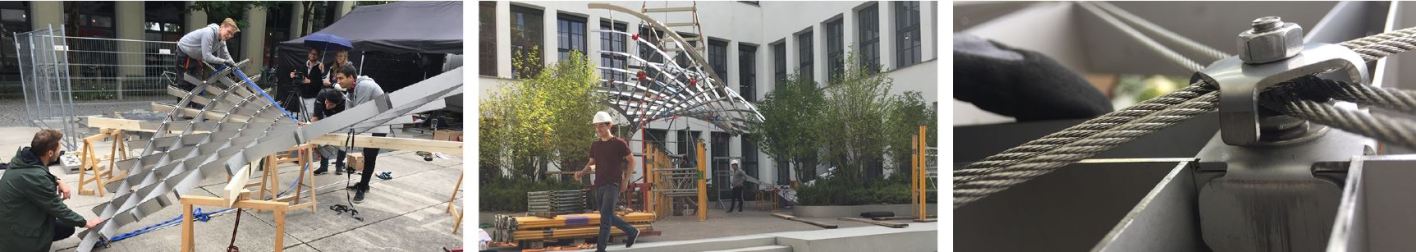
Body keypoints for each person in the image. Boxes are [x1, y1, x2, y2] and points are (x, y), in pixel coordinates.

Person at [0, 129, 104, 251]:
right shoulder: (36, 177)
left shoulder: (23, 160)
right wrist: (86, 223)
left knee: (64, 225)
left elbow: (35, 174)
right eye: (59, 149)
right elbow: (57, 207)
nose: (60, 152)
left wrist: (58, 181)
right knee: (67, 226)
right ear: (50, 153)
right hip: (16, 233)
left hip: (11, 220)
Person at [574, 111, 640, 251]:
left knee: (605, 219)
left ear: (609, 125)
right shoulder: (595, 145)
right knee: (607, 216)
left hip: (613, 184)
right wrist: (582, 172)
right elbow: (592, 162)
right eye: (596, 127)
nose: (598, 129)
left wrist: (626, 180)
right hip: (599, 184)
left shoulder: (619, 143)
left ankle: (601, 249)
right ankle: (631, 231)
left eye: (601, 126)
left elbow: (632, 161)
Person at [334, 64, 389, 203]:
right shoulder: (350, 91)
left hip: (381, 122)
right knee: (366, 153)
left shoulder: (364, 86)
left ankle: (362, 188)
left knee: (370, 155)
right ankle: (365, 183)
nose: (338, 81)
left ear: (351, 77)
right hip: (371, 120)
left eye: (341, 78)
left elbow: (358, 114)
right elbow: (348, 114)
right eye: (337, 79)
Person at [175, 18, 239, 109]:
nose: (230, 35)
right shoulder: (208, 33)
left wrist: (234, 64)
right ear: (222, 27)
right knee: (184, 82)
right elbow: (207, 57)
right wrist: (224, 62)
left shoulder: (222, 40)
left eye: (232, 34)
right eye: (228, 32)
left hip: (196, 57)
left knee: (197, 83)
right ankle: (182, 110)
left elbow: (226, 55)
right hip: (184, 53)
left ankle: (198, 110)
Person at [311, 88, 348, 175]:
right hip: (326, 116)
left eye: (330, 104)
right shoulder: (322, 95)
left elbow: (342, 121)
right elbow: (316, 116)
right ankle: (324, 167)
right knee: (323, 139)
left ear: (337, 103)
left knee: (343, 141)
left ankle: (339, 165)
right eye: (327, 102)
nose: (327, 105)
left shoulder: (344, 103)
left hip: (339, 118)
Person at [290, 48, 326, 122]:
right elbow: (299, 80)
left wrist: (310, 81)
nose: (312, 55)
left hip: (312, 98)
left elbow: (321, 83)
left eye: (315, 54)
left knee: (309, 119)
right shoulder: (304, 66)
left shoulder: (320, 67)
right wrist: (294, 76)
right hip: (302, 96)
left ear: (318, 56)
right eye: (311, 53)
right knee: (302, 119)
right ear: (308, 54)